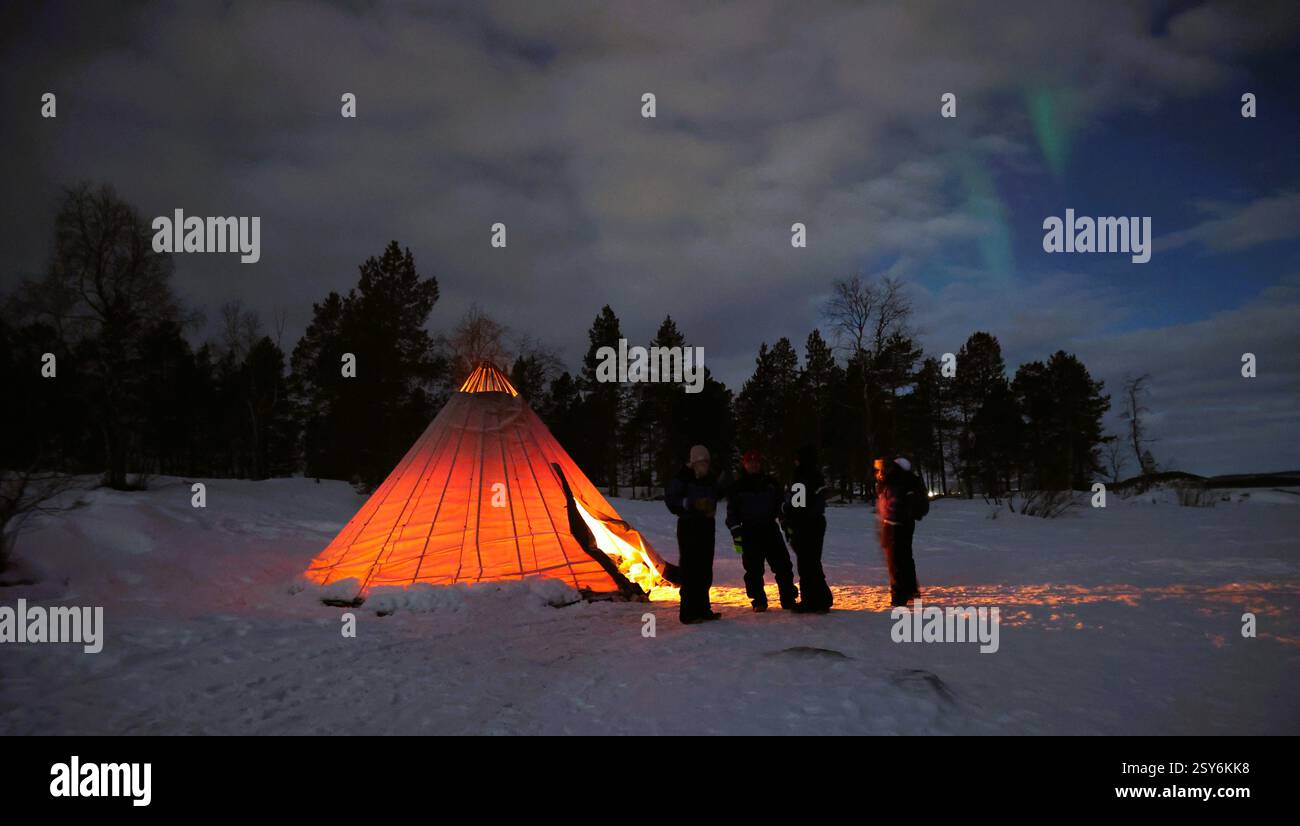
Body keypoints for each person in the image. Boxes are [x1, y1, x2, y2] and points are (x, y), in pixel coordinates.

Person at [726, 450, 798, 612]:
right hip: (749, 531)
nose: (753, 465)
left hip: (770, 529)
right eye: (750, 463)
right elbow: (732, 513)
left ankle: (788, 598)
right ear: (744, 465)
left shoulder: (771, 483)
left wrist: (786, 523)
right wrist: (736, 531)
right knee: (753, 569)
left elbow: (781, 506)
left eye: (756, 462)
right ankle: (758, 601)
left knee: (783, 565)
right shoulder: (737, 487)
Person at [665, 444, 724, 624]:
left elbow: (715, 495)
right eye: (700, 462)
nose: (704, 465)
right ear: (693, 462)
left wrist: (711, 504)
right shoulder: (682, 478)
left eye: (706, 462)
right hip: (689, 526)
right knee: (690, 569)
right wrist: (692, 504)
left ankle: (703, 609)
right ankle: (688, 612)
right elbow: (672, 501)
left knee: (705, 568)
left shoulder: (710, 478)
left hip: (706, 525)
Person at [782, 445, 833, 613]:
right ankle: (820, 599)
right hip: (815, 523)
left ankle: (812, 600)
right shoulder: (816, 475)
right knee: (812, 562)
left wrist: (786, 511)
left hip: (805, 525)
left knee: (806, 563)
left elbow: (797, 504)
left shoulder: (801, 476)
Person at [874, 456, 928, 607]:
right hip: (906, 524)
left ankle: (899, 596)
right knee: (906, 558)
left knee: (895, 561)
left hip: (894, 524)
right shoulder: (910, 479)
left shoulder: (894, 480)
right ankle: (912, 591)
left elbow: (888, 499)